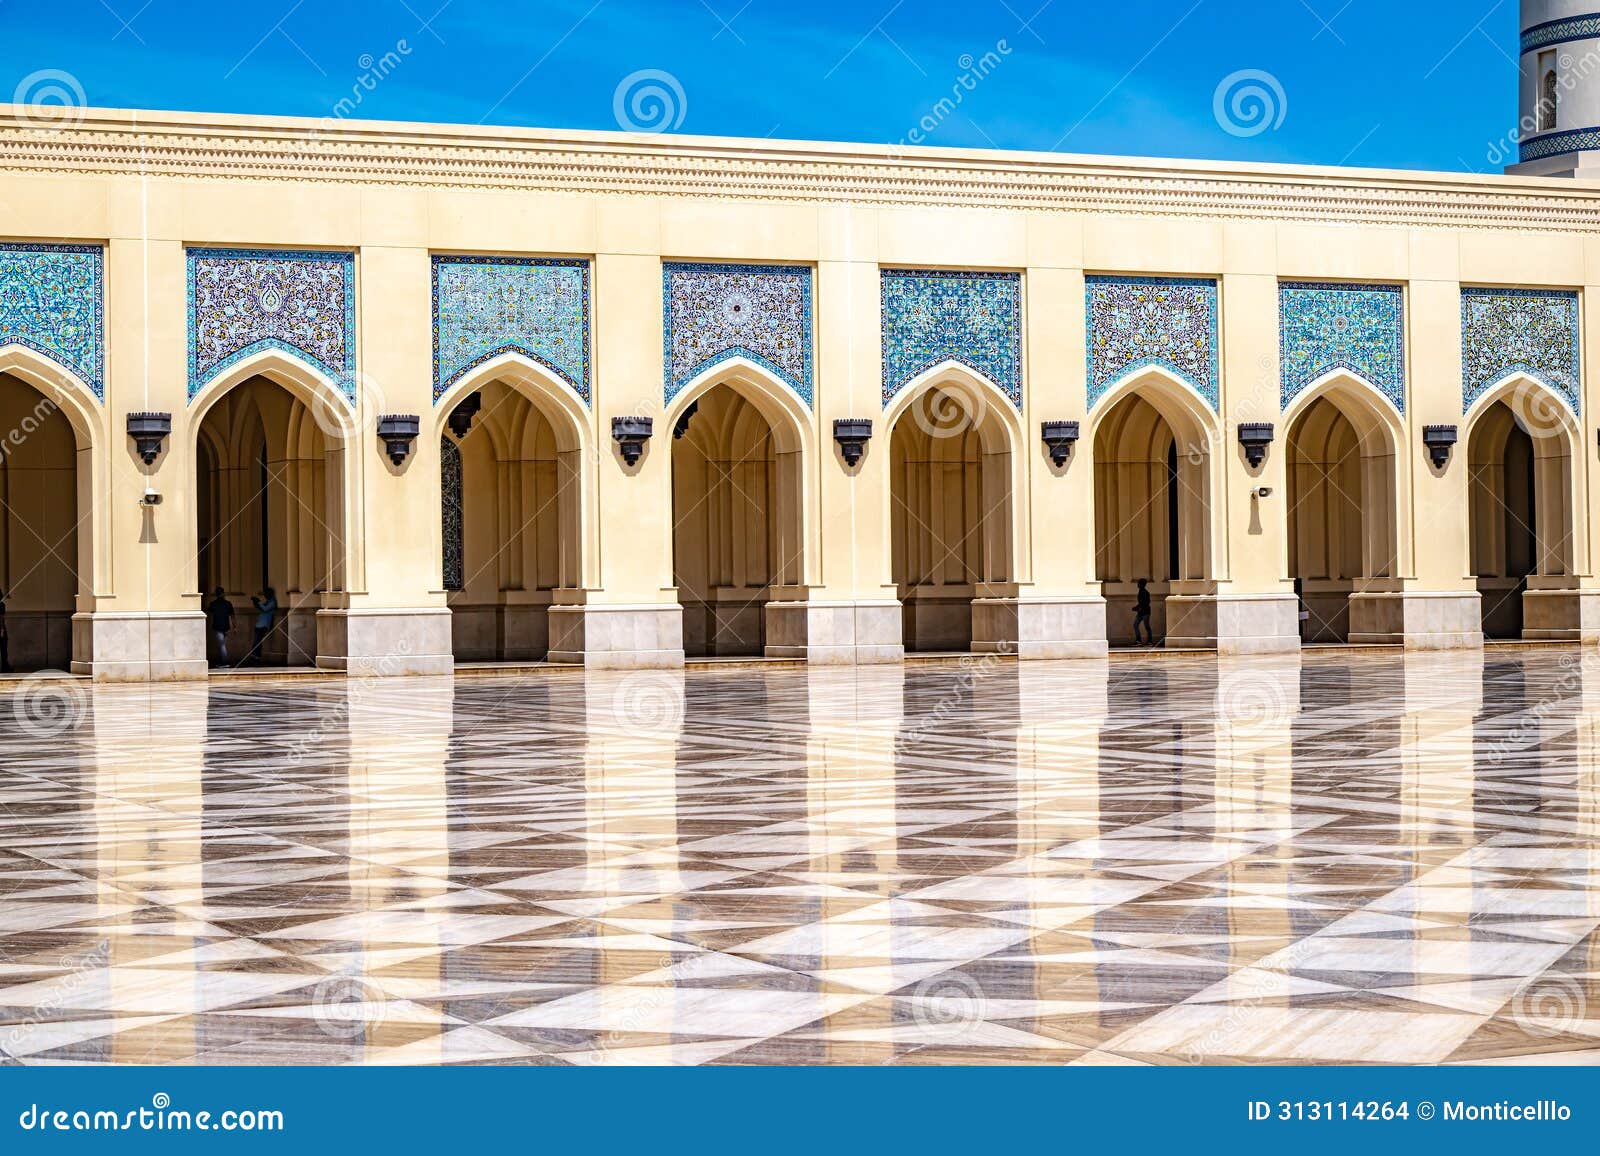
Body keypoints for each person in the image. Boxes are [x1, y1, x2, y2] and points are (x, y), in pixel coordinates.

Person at [206, 586, 234, 668]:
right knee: (221, 645)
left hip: (218, 627)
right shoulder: (228, 603)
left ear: (216, 594)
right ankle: (220, 662)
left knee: (221, 645)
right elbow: (232, 616)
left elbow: (210, 613)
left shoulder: (213, 604)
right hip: (226, 627)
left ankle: (225, 663)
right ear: (223, 593)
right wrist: (235, 627)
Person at [249, 587, 278, 665]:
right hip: (259, 624)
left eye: (266, 594)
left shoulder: (272, 602)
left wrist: (258, 602)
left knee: (257, 642)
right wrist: (255, 603)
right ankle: (255, 657)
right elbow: (261, 608)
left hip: (264, 625)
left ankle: (256, 658)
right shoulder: (268, 601)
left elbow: (265, 609)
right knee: (257, 642)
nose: (265, 595)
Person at [1133, 578, 1155, 646]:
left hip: (1145, 612)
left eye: (1139, 583)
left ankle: (1150, 641)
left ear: (1142, 584)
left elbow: (1146, 602)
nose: (1138, 584)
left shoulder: (1145, 592)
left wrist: (1139, 608)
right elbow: (1141, 603)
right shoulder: (1141, 591)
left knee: (1147, 626)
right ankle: (1138, 641)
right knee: (1135, 625)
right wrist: (1137, 608)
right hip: (1141, 612)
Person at [0, 588, 10, 674]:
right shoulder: (1, 605)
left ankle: (5, 666)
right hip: (1, 629)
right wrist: (2, 630)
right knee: (3, 649)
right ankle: (5, 666)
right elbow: (1, 618)